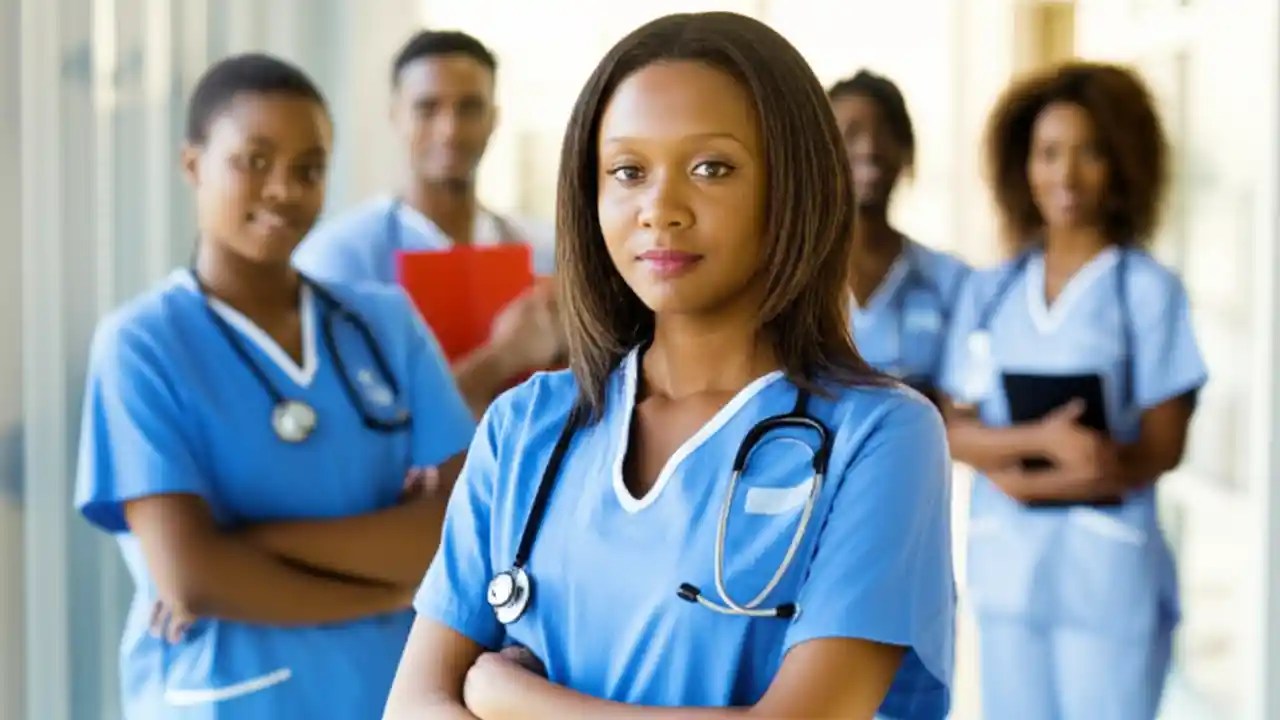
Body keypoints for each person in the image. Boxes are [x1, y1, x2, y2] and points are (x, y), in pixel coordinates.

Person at [385, 12, 954, 720]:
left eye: (711, 168)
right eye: (627, 171)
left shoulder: (880, 437)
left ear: (792, 185)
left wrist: (511, 697)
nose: (661, 209)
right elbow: (413, 707)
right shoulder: (526, 426)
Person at [74, 54, 476, 719]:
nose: (284, 189)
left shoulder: (383, 323)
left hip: (384, 694)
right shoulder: (143, 345)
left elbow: (459, 533)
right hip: (226, 697)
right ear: (192, 164)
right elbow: (194, 578)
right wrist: (394, 592)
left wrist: (253, 544)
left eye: (309, 169)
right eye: (254, 161)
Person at [937, 61, 1207, 719]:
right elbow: (949, 425)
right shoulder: (990, 291)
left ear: (1122, 163)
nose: (1066, 175)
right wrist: (1042, 448)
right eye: (1049, 153)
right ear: (1021, 165)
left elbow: (1163, 447)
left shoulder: (1145, 290)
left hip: (1106, 571)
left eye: (1089, 152)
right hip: (1009, 573)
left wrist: (1077, 470)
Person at [293, 30, 563, 412]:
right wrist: (502, 358)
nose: (449, 130)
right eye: (427, 108)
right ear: (395, 115)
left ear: (494, 119)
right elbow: (358, 426)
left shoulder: (546, 251)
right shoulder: (338, 259)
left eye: (469, 108)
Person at [828, 70, 969, 404]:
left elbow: (961, 405)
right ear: (822, 151)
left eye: (885, 133)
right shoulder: (792, 277)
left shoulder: (950, 280)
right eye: (851, 134)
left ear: (906, 149)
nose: (870, 148)